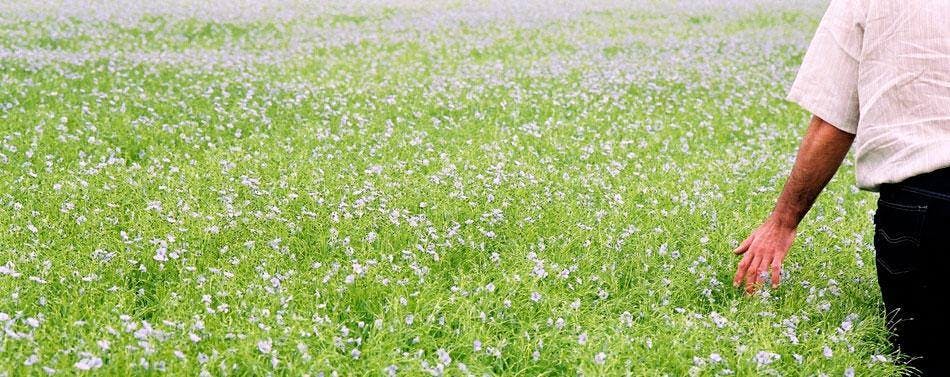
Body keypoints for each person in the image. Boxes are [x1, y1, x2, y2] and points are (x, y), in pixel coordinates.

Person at [730, 0, 950, 375]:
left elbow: (833, 122)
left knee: (925, 360)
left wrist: (783, 222)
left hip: (924, 203)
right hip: (925, 203)